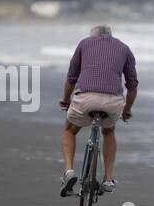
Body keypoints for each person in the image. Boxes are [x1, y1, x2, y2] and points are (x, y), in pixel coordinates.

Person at [58, 24, 138, 195]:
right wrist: (127, 110)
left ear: (92, 36)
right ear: (111, 36)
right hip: (113, 101)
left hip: (85, 98)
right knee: (108, 132)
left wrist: (65, 100)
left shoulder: (84, 44)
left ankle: (69, 171)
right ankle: (108, 179)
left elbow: (71, 78)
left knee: (69, 130)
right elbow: (132, 86)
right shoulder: (124, 48)